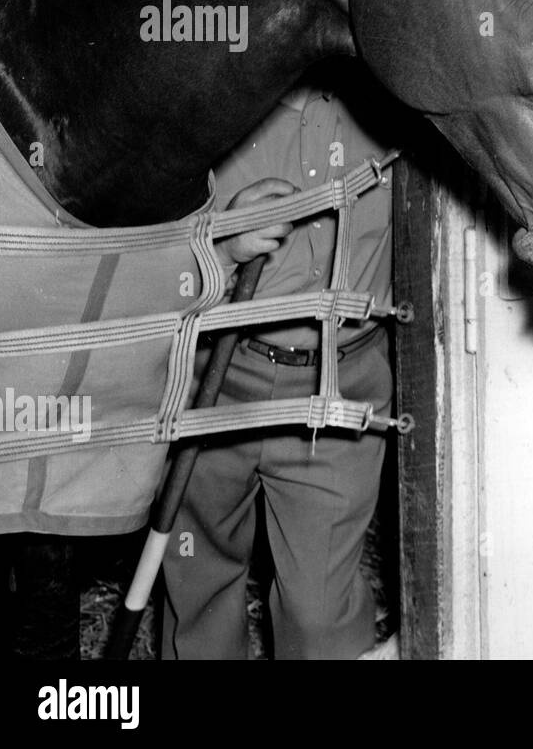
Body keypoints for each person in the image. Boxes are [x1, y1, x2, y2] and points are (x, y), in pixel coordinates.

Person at [160, 62, 395, 659]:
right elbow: (142, 246)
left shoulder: (404, 103)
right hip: (216, 375)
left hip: (339, 391)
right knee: (199, 578)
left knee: (321, 614)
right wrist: (221, 245)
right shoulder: (212, 94)